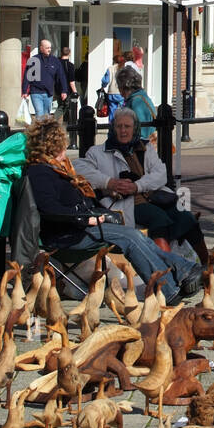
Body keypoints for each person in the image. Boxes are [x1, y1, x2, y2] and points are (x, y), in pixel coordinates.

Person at [24, 117, 200, 303]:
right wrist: (85, 219)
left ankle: (179, 274)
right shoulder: (39, 172)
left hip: (81, 227)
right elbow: (50, 208)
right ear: (53, 147)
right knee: (131, 238)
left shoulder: (57, 168)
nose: (65, 150)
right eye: (63, 145)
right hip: (66, 235)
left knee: (135, 236)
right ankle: (171, 286)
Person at [78, 108, 210, 266]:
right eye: (119, 126)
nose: (123, 130)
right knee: (158, 218)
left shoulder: (145, 148)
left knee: (185, 216)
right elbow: (79, 169)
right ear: (113, 129)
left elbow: (161, 173)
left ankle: (207, 266)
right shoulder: (97, 152)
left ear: (135, 129)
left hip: (153, 196)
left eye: (127, 126)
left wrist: (137, 186)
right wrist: (109, 182)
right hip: (126, 203)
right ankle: (174, 271)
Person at [21, 38, 69, 118]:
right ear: (41, 48)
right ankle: (40, 130)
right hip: (36, 92)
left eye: (50, 48)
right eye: (47, 48)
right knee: (39, 113)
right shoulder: (34, 60)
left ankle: (45, 130)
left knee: (46, 114)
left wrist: (64, 90)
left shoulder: (55, 61)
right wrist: (24, 91)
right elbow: (27, 76)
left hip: (48, 93)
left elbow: (61, 76)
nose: (49, 50)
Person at [117, 67, 157, 141]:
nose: (119, 92)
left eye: (119, 87)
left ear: (124, 86)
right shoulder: (140, 97)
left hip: (142, 148)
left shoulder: (137, 102)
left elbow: (142, 133)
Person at [99, 49, 128, 113]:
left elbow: (105, 81)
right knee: (122, 111)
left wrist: (102, 87)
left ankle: (112, 122)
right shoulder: (124, 68)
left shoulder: (110, 68)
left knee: (112, 111)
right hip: (121, 93)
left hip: (111, 93)